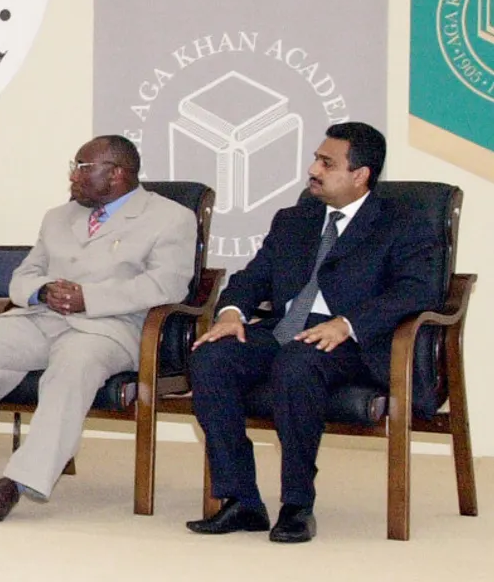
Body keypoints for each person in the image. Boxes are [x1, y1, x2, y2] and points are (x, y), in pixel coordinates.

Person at [185, 123, 438, 543]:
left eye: (327, 163)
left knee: (297, 364)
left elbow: (418, 288)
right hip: (284, 330)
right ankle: (241, 499)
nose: (313, 169)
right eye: (316, 159)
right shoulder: (294, 219)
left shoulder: (401, 222)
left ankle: (297, 504)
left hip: (352, 340)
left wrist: (348, 323)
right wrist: (230, 312)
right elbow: (253, 277)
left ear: (361, 175)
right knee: (211, 357)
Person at [0, 135, 195, 521]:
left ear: (117, 173)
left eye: (83, 167)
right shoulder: (58, 216)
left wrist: (91, 298)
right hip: (44, 318)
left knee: (74, 362)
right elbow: (23, 276)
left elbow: (167, 285)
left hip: (112, 326)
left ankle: (18, 481)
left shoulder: (170, 218)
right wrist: (41, 291)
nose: (73, 176)